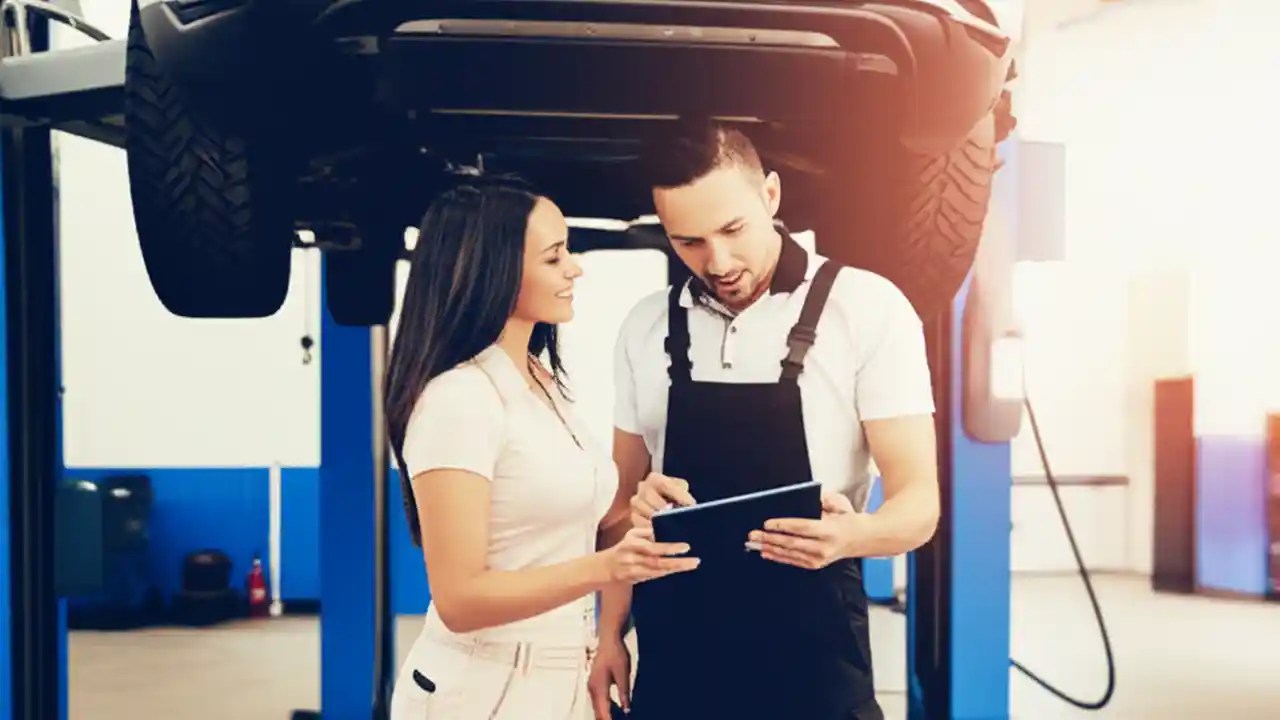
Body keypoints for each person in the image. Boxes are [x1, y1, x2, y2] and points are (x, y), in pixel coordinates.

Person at [587, 121, 941, 720]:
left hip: (815, 644)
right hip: (680, 649)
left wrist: (851, 536)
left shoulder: (868, 309)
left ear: (771, 196)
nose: (717, 261)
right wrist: (610, 631)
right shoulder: (645, 327)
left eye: (732, 230)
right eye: (688, 241)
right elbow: (619, 515)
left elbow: (918, 506)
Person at [383, 178, 700, 720]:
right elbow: (459, 600)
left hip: (557, 677)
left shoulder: (538, 380)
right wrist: (607, 567)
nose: (575, 268)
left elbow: (583, 519)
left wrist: (643, 506)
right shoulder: (458, 399)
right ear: (494, 271)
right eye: (555, 257)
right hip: (484, 688)